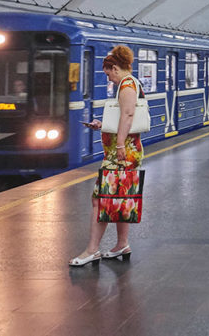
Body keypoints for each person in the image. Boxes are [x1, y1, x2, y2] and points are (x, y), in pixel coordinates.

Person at [71, 45, 143, 265]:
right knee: (120, 198)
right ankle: (122, 244)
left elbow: (129, 115)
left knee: (100, 200)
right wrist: (103, 126)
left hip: (121, 153)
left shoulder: (127, 85)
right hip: (125, 151)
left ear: (114, 68)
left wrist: (120, 144)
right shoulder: (129, 83)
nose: (108, 79)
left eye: (108, 74)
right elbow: (123, 118)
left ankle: (92, 250)